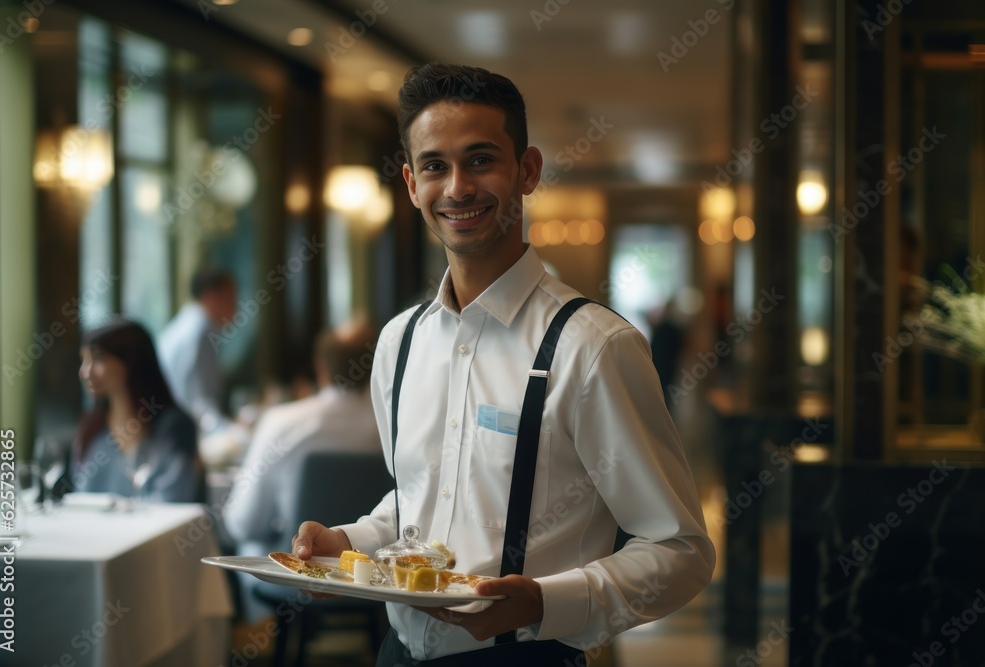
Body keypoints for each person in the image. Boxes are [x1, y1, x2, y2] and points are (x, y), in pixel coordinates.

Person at [293, 63, 715, 665]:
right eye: (436, 165)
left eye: (481, 159)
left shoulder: (592, 346)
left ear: (528, 170)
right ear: (412, 184)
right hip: (397, 653)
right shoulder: (398, 343)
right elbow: (419, 502)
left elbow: (681, 551)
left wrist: (546, 601)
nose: (458, 187)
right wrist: (346, 541)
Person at [223, 320, 382, 620]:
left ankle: (261, 636)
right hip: (373, 579)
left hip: (295, 577)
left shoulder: (282, 422)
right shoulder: (391, 425)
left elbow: (243, 522)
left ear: (320, 369)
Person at [72, 319, 203, 502]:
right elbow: (77, 498)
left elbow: (173, 499)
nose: (84, 372)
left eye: (97, 359)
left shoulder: (173, 427)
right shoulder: (92, 429)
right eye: (83, 360)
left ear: (130, 361)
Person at [157, 266, 236, 433]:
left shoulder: (188, 323)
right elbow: (199, 404)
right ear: (211, 297)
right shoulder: (199, 330)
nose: (236, 307)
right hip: (182, 430)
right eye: (231, 298)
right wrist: (232, 431)